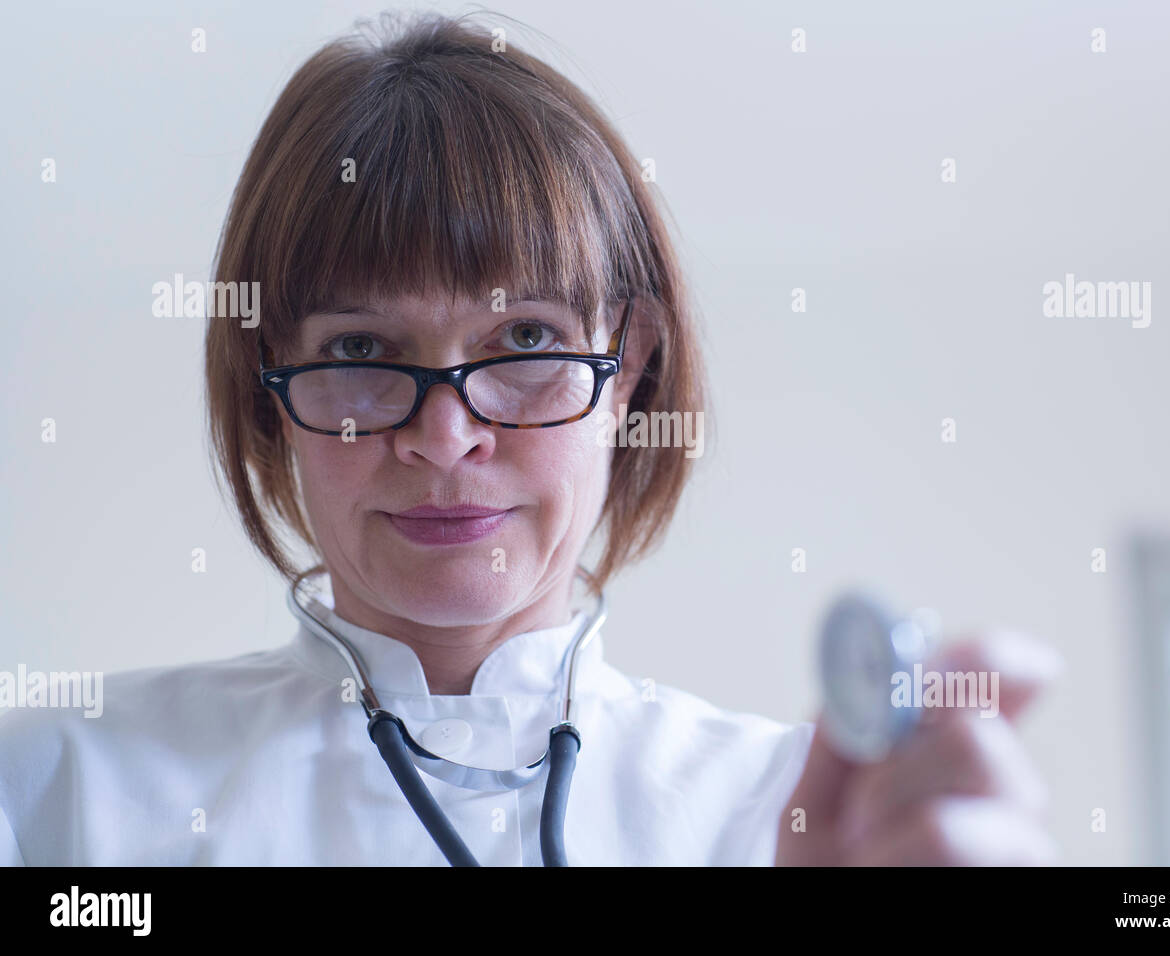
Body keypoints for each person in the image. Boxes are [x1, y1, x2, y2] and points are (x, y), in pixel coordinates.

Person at [0, 10, 1059, 866]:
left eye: (524, 337)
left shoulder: (792, 820)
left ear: (629, 363)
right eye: (363, 346)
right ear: (271, 385)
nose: (445, 434)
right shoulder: (61, 796)